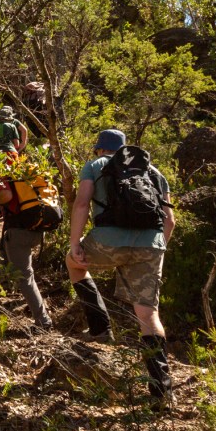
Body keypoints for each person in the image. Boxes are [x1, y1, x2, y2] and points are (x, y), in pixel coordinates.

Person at [66, 129, 176, 408]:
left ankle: (100, 329)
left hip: (107, 241)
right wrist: (155, 249)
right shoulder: (154, 171)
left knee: (73, 263)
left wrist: (75, 243)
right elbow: (170, 221)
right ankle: (162, 393)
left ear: (100, 149)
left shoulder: (96, 166)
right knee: (149, 315)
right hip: (151, 245)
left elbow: (81, 203)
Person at [0, 168, 54, 332]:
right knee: (2, 246)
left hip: (18, 233)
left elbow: (6, 196)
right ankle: (5, 286)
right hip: (36, 230)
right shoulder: (24, 171)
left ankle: (43, 321)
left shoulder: (1, 172)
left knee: (25, 277)